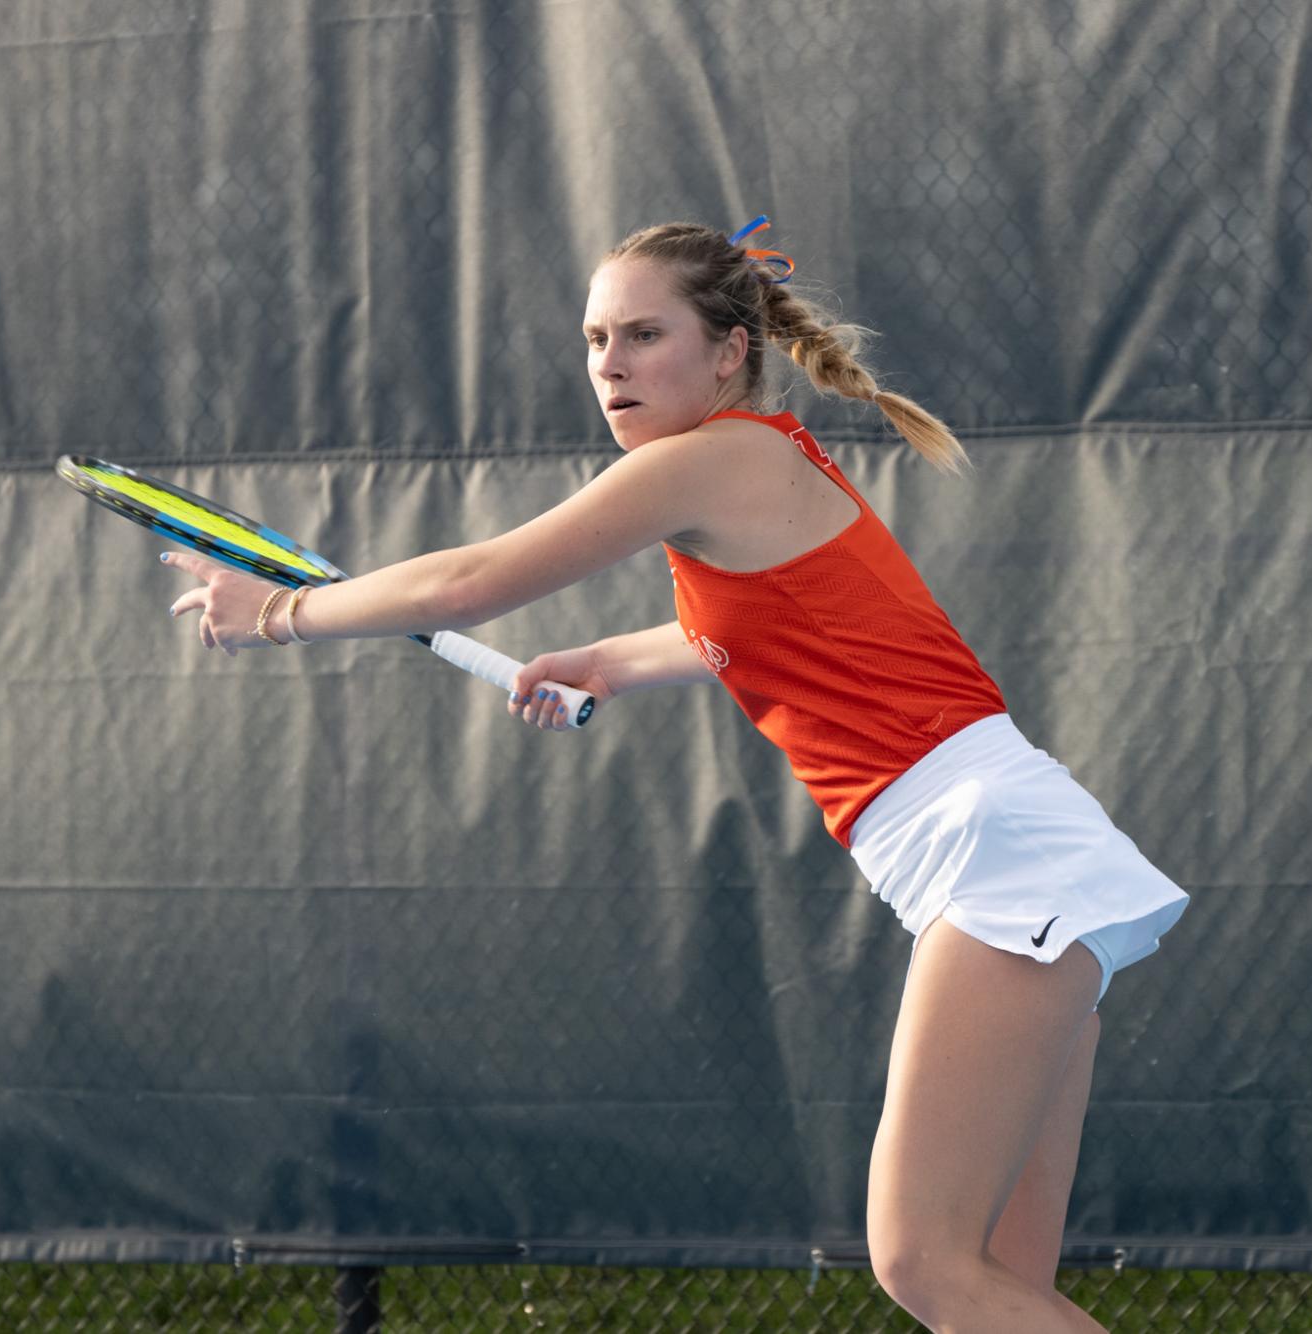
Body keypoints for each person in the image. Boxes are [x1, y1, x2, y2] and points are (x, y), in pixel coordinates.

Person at [162, 216, 1187, 1332]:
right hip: (1016, 846)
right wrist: (607, 660)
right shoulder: (760, 469)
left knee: (926, 1262)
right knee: (998, 1286)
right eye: (598, 337)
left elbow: (472, 580)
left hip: (993, 851)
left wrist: (279, 612)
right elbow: (758, 636)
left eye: (645, 333)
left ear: (727, 352)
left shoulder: (712, 459)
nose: (611, 363)